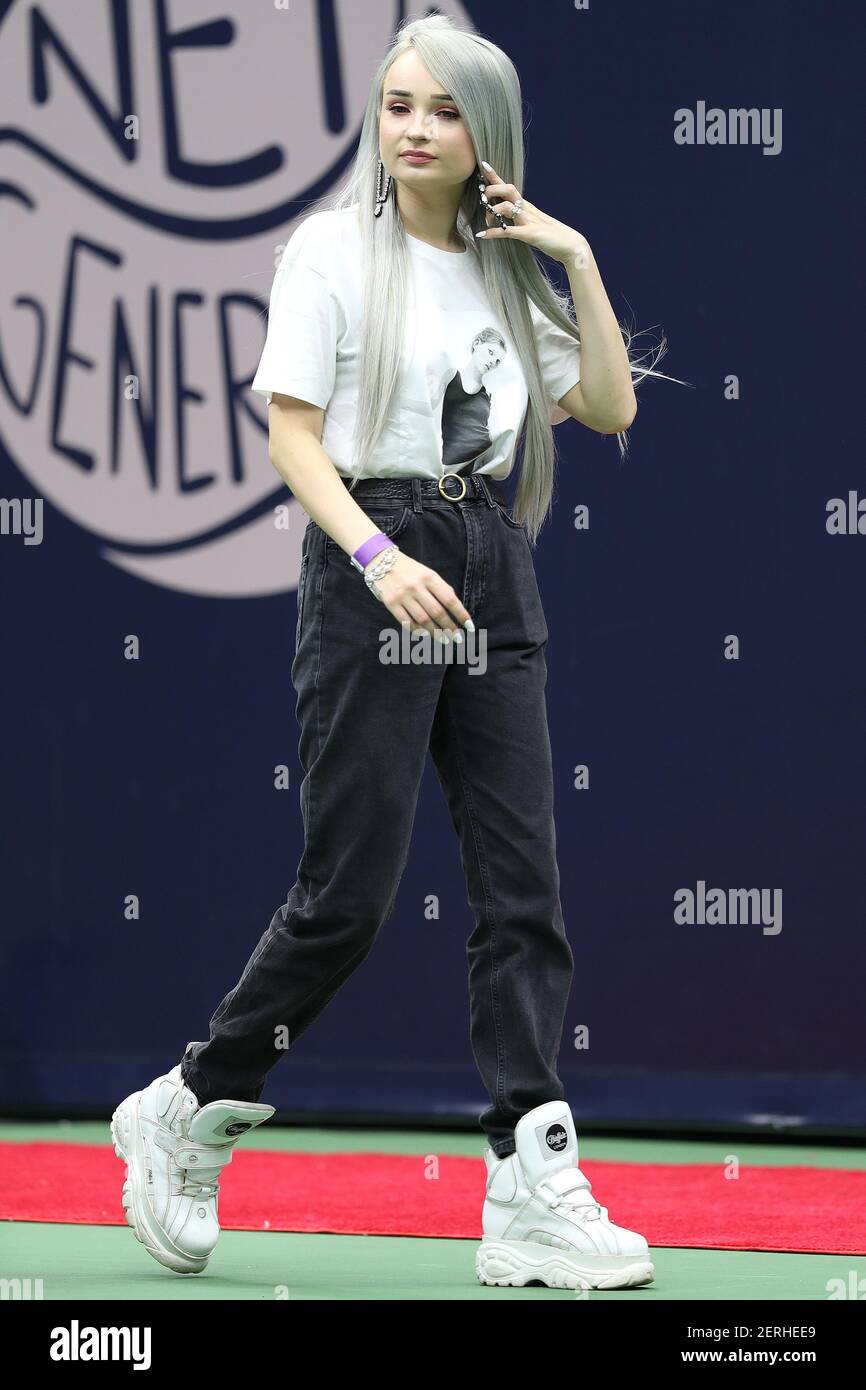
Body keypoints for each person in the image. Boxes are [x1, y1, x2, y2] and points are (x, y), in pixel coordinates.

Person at [112, 13, 667, 1292]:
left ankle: (529, 1180)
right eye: (397, 104)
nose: (413, 128)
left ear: (487, 134)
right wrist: (374, 556)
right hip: (376, 560)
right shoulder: (325, 249)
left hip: (490, 565)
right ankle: (195, 1101)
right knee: (349, 892)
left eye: (443, 110)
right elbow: (291, 434)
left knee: (522, 890)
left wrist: (572, 255)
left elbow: (610, 404)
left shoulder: (511, 264)